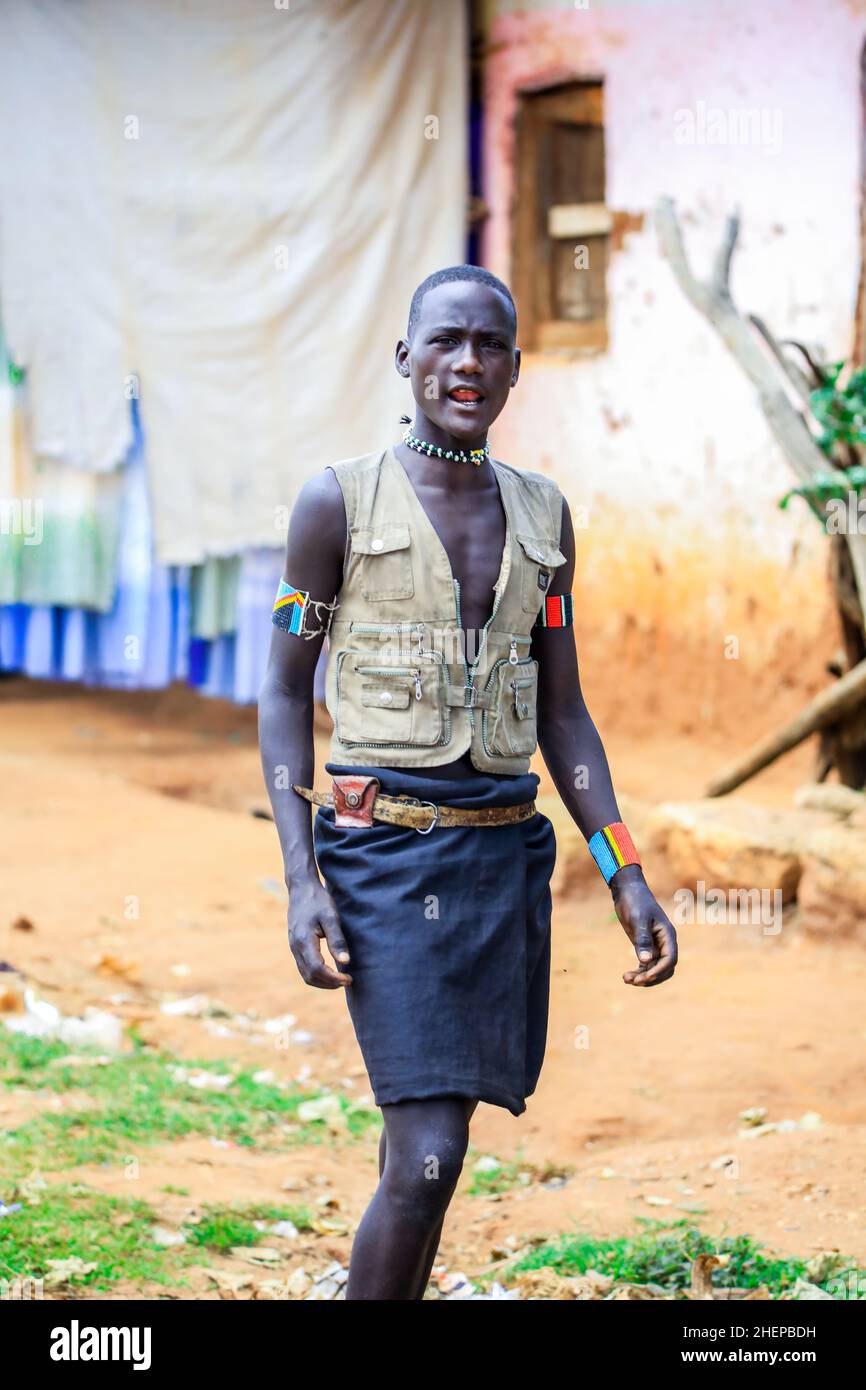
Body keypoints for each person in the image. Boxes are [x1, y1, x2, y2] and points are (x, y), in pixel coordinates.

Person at [257, 264, 678, 1301]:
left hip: (499, 860)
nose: (466, 363)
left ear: (514, 369)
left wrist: (621, 869)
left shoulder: (543, 518)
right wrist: (301, 877)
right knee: (425, 1154)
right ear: (404, 358)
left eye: (489, 345)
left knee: (432, 1165)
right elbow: (279, 692)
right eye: (443, 342)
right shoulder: (333, 504)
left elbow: (562, 712)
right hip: (383, 859)